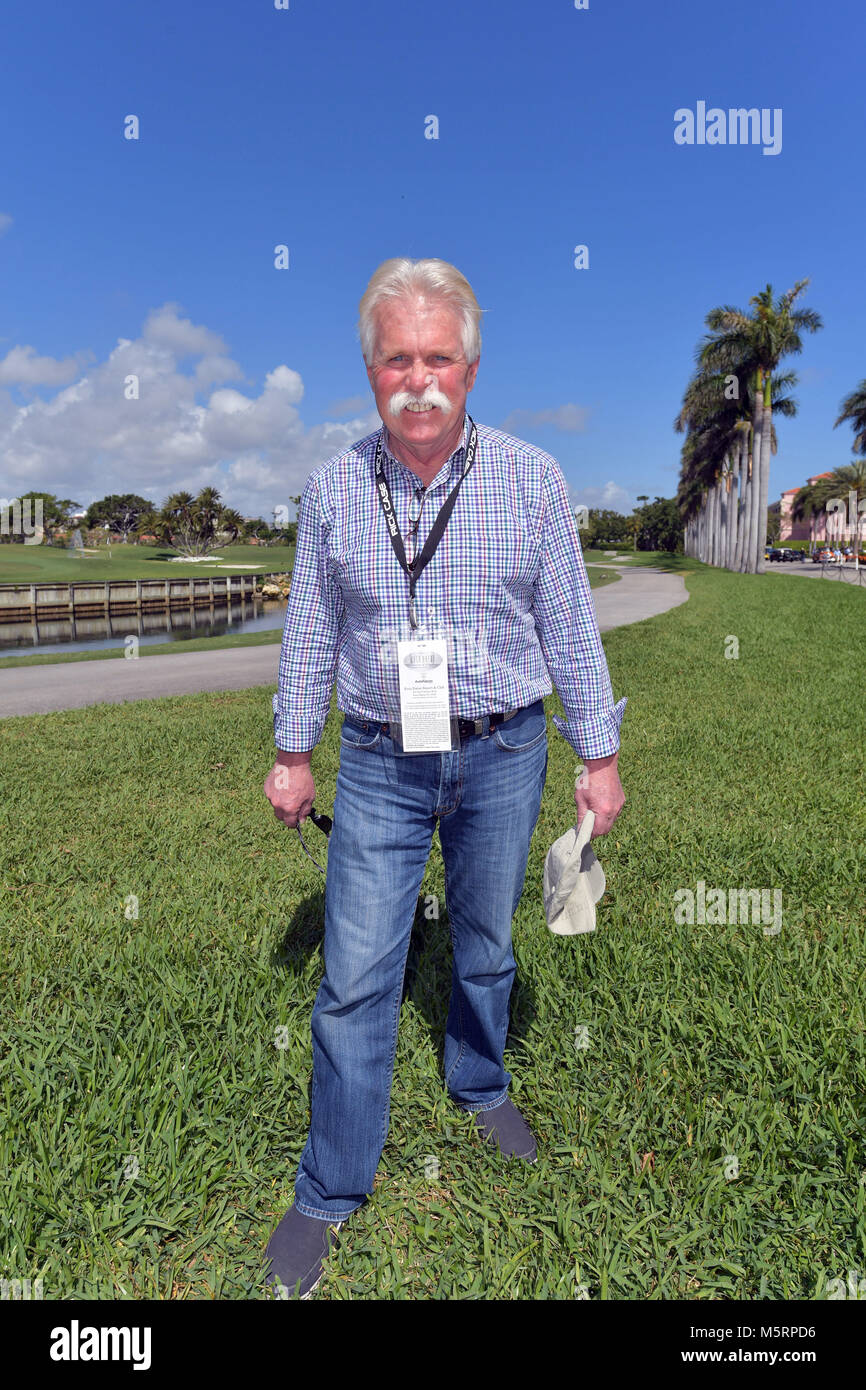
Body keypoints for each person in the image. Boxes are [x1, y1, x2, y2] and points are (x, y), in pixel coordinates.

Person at [262, 257, 627, 1298]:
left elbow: (567, 624)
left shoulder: (532, 479)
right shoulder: (334, 488)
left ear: (469, 367)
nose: (416, 379)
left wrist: (595, 755)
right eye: (395, 360)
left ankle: (479, 1079)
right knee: (356, 974)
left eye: (437, 358)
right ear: (370, 370)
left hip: (504, 746)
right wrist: (294, 751)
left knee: (484, 941)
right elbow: (307, 633)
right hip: (378, 755)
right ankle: (328, 1187)